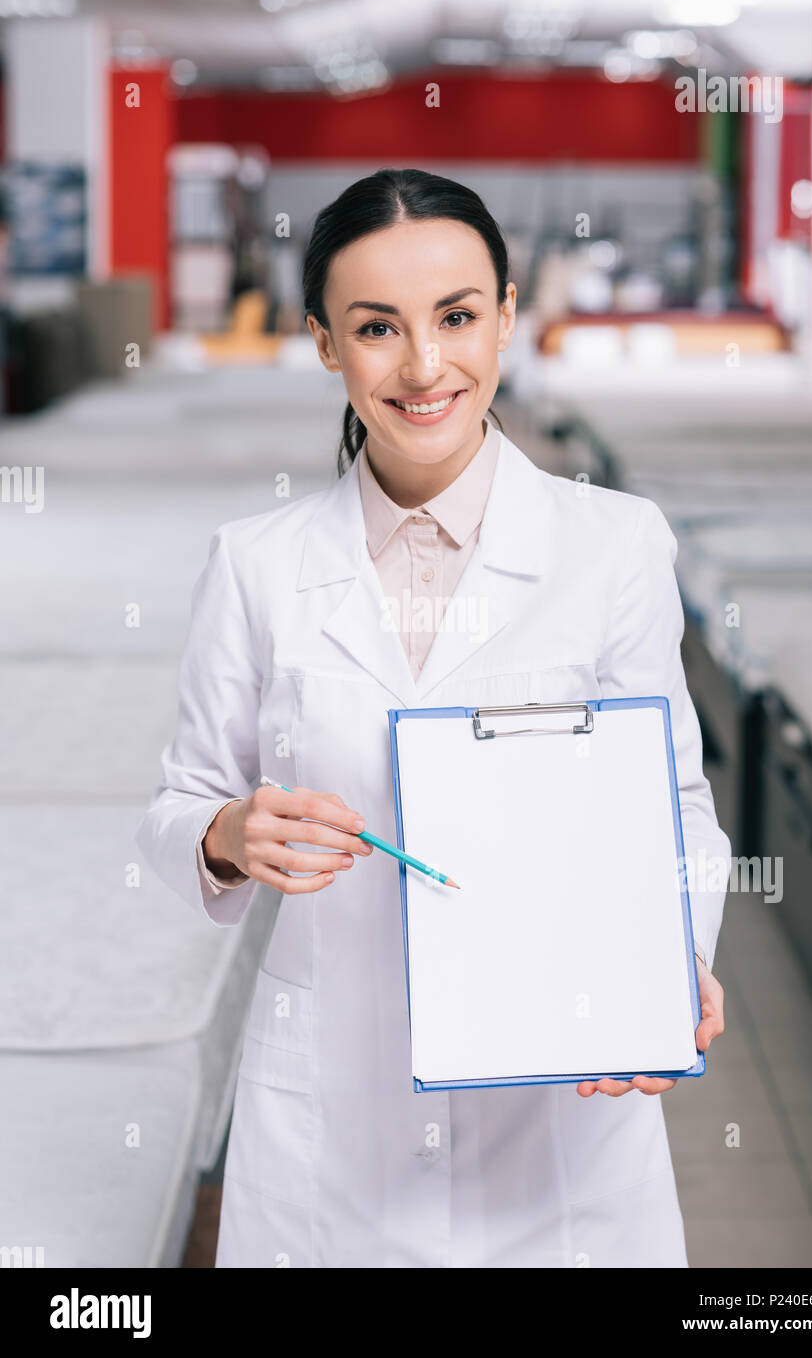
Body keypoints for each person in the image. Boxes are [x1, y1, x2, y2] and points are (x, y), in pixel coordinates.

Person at [136, 168, 729, 1268]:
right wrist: (226, 836)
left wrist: (666, 964)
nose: (422, 366)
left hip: (558, 1108)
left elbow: (675, 804)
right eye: (375, 327)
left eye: (457, 317)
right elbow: (177, 808)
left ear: (506, 317)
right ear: (324, 344)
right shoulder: (255, 564)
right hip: (330, 1116)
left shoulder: (615, 545)